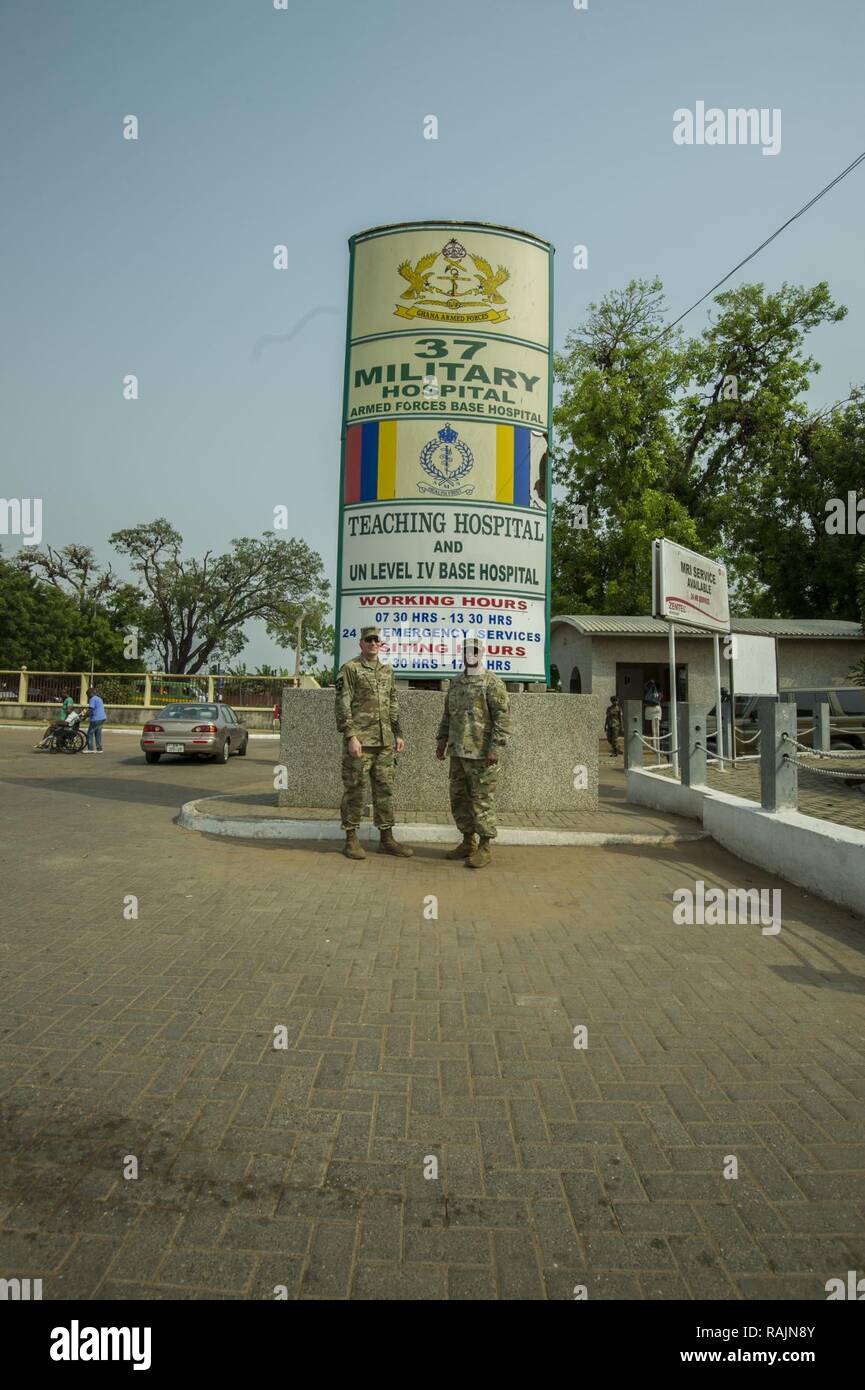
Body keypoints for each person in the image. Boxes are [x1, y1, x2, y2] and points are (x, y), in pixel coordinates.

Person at [335, 626, 412, 860]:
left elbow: (393, 703)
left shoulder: (388, 671)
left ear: (381, 644)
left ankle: (386, 839)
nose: (372, 643)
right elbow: (342, 704)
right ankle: (351, 839)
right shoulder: (350, 669)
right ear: (361, 643)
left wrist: (398, 733)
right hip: (360, 742)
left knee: (384, 791)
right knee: (355, 790)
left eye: (376, 640)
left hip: (385, 742)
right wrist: (350, 736)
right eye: (368, 640)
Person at [435, 637, 511, 869]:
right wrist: (441, 741)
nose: (471, 655)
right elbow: (448, 715)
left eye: (475, 651)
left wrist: (495, 748)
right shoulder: (456, 682)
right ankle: (468, 842)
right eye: (467, 651)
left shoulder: (492, 683)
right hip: (457, 753)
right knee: (459, 799)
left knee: (482, 802)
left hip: (482, 755)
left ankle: (485, 847)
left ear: (482, 653)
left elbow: (503, 719)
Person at [643, 678, 663, 761]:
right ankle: (657, 748)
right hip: (657, 709)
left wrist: (649, 682)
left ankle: (654, 747)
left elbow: (644, 686)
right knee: (657, 730)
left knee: (652, 730)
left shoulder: (648, 691)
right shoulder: (660, 693)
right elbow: (659, 699)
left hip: (649, 710)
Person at [85, 685, 107, 752]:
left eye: (88, 695)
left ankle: (90, 749)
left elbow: (91, 709)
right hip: (102, 718)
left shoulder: (92, 699)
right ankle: (99, 749)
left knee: (90, 733)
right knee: (98, 733)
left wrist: (85, 716)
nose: (87, 696)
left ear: (90, 693)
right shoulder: (99, 698)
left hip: (96, 718)